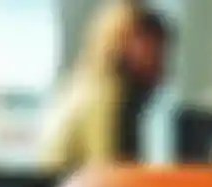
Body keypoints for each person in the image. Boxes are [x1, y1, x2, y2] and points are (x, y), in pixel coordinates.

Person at [42, 1, 170, 171]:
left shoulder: (99, 88)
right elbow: (106, 174)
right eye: (152, 47)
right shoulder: (104, 97)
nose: (158, 59)